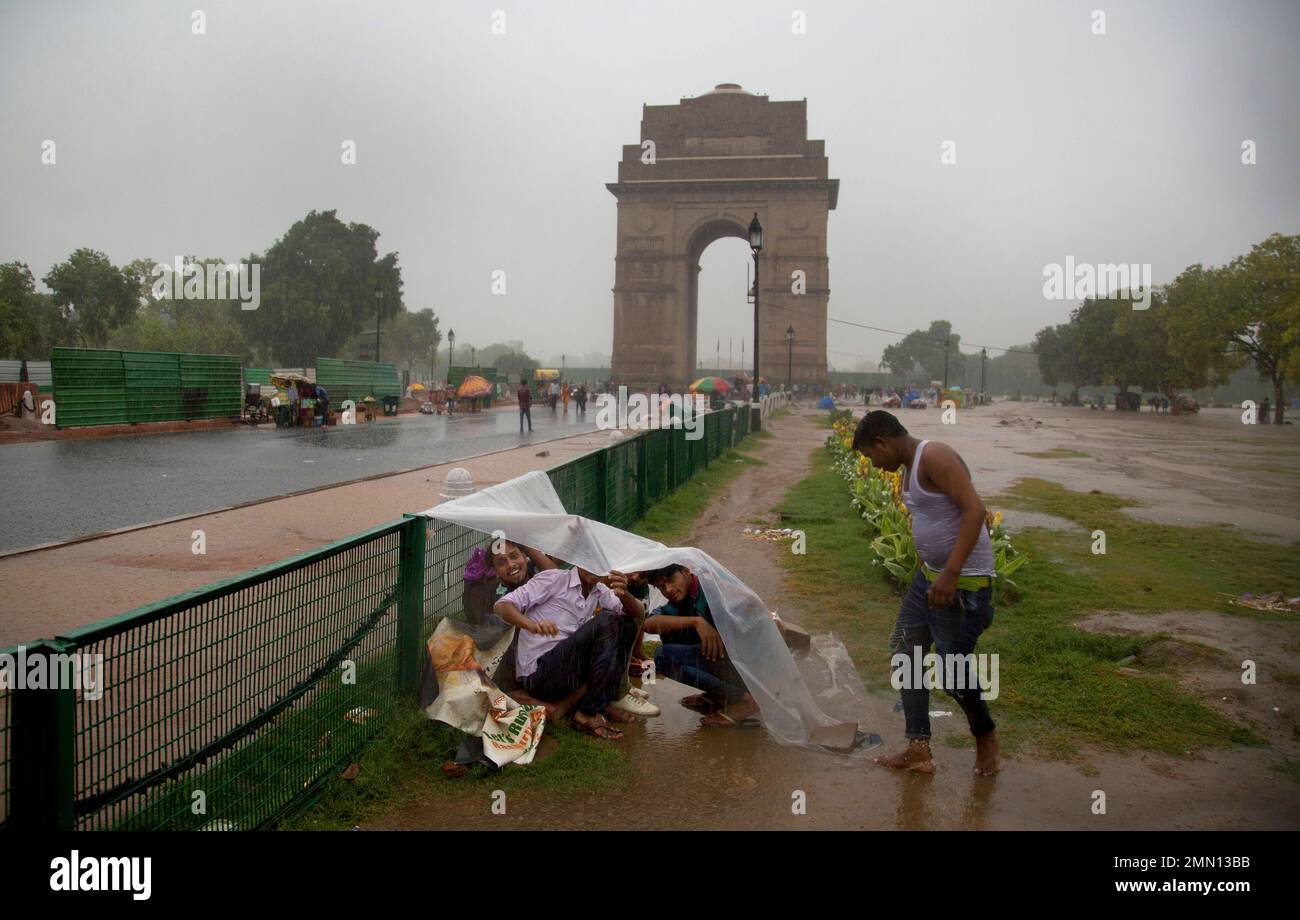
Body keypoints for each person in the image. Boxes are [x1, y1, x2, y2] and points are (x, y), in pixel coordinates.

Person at [852, 410, 999, 775]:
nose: (875, 464)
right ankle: (918, 748)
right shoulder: (906, 468)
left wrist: (950, 572)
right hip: (930, 578)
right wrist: (928, 566)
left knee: (952, 674)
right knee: (906, 649)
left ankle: (986, 738)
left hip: (962, 584)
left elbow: (975, 511)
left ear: (883, 443)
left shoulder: (934, 456)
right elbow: (934, 518)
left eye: (872, 456)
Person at [494, 564, 645, 740]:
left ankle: (603, 700)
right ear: (578, 558)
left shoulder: (599, 590)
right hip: (540, 677)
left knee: (625, 623)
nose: (594, 568)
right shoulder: (554, 579)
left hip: (566, 672)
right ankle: (587, 713)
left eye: (600, 563)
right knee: (607, 621)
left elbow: (633, 614)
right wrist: (531, 625)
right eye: (589, 560)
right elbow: (501, 605)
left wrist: (624, 594)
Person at [646, 564, 759, 727]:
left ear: (686, 571)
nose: (668, 589)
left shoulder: (712, 589)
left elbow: (752, 604)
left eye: (671, 580)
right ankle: (719, 695)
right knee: (669, 632)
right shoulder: (679, 601)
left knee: (664, 656)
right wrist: (697, 622)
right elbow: (649, 623)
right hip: (723, 660)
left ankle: (747, 701)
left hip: (745, 661)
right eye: (661, 587)